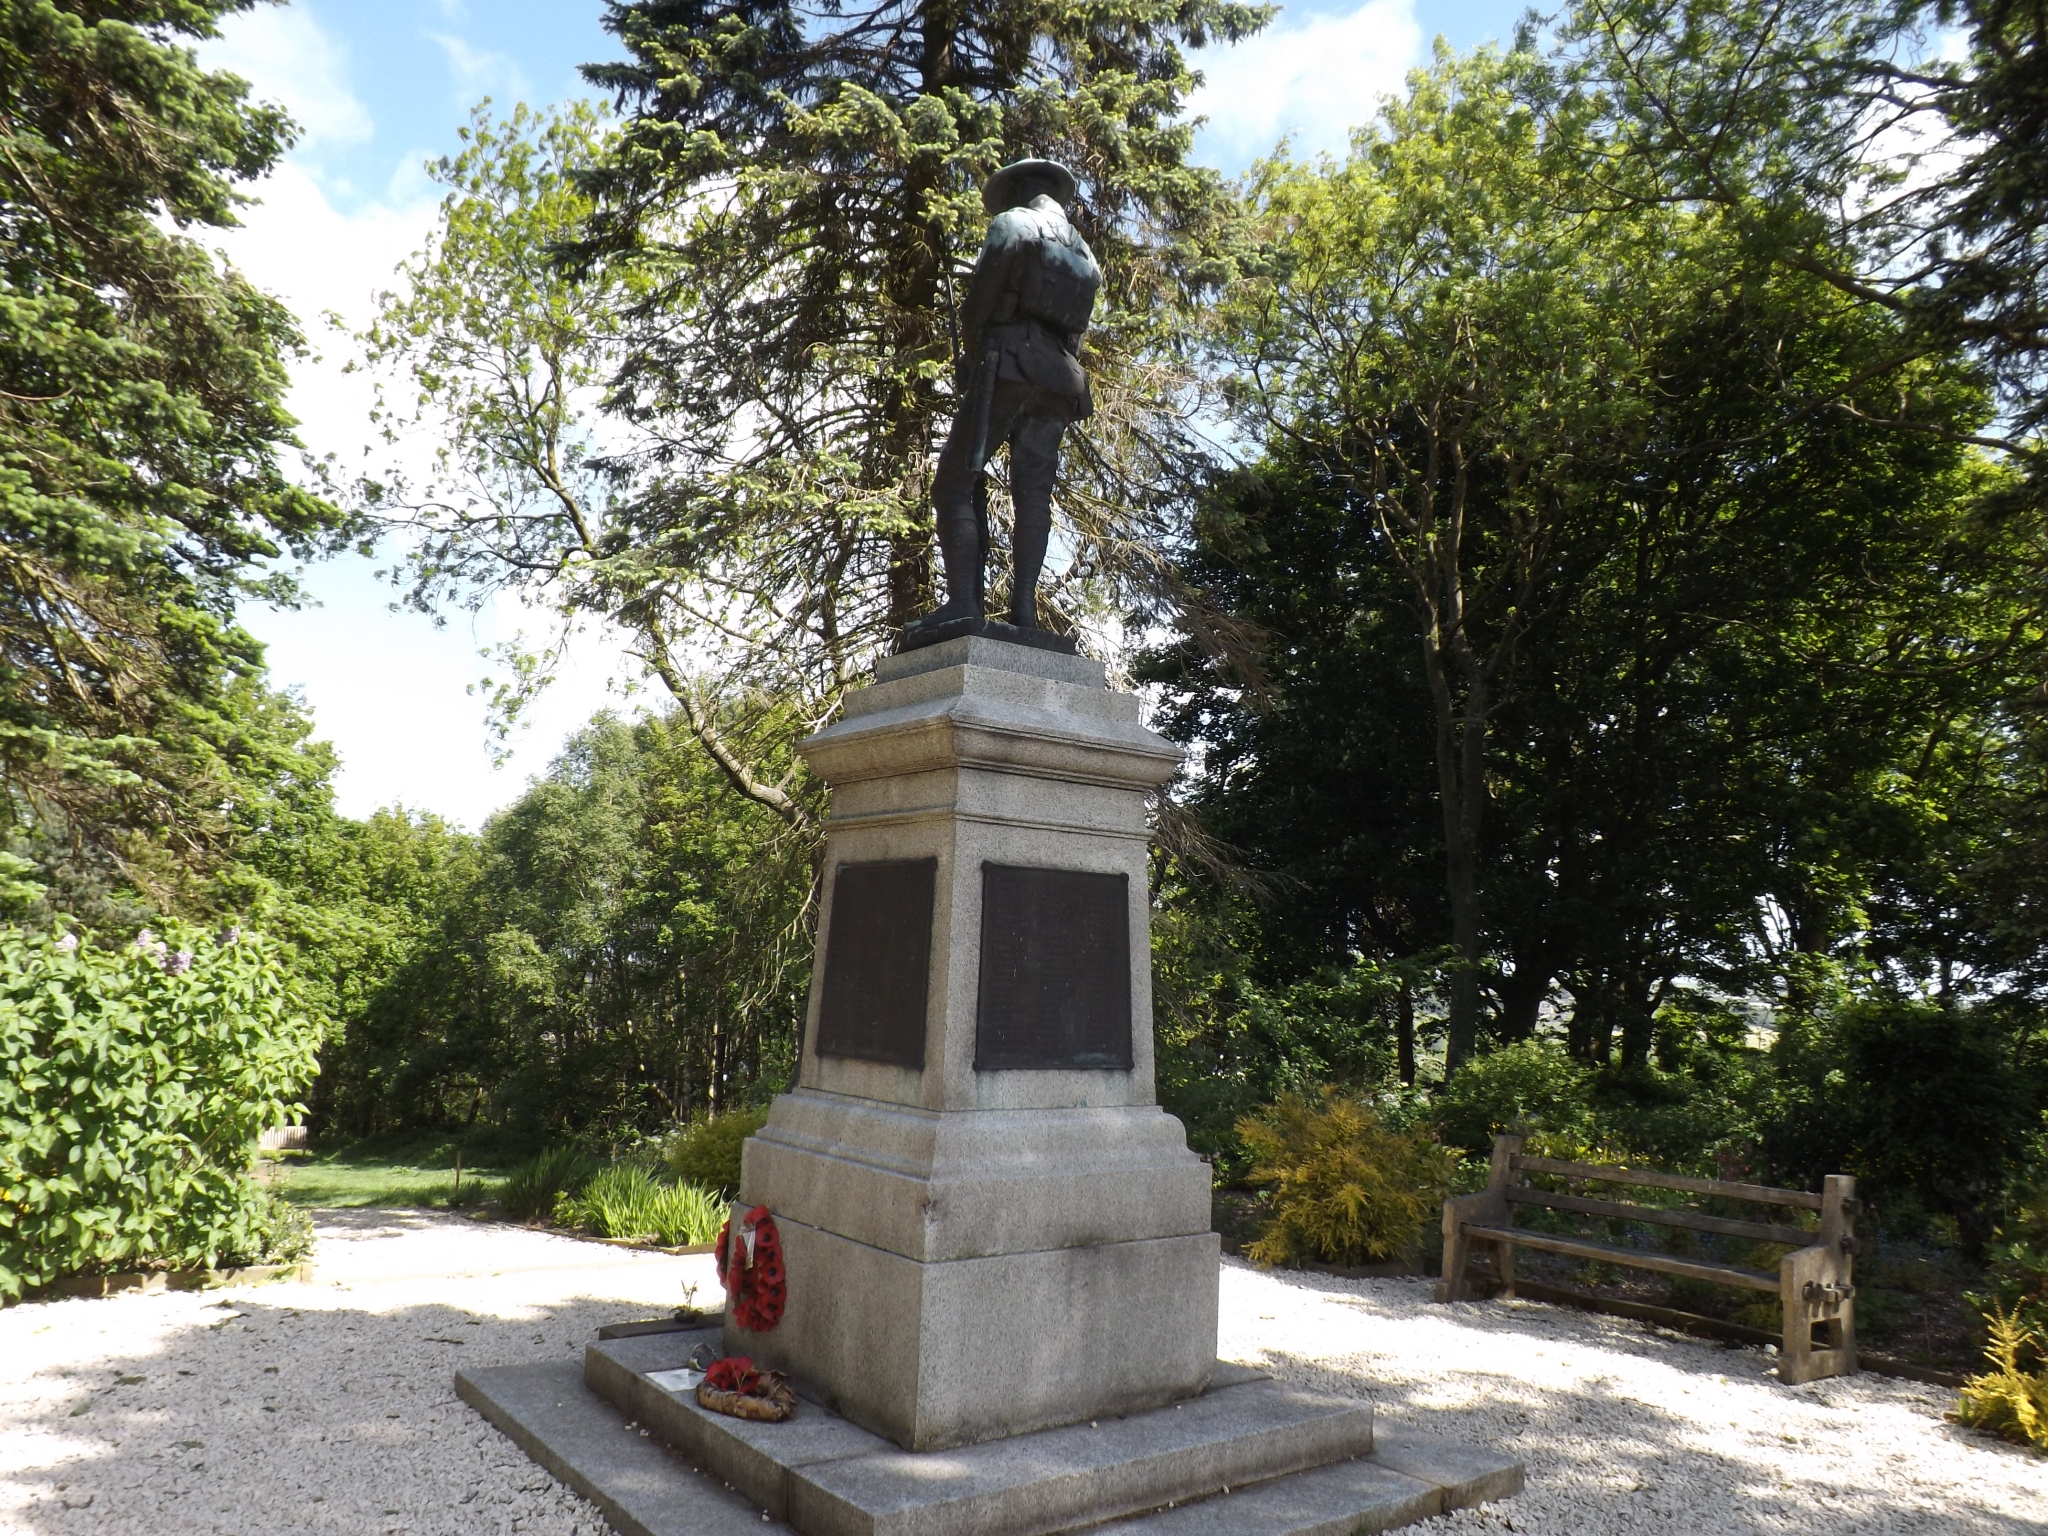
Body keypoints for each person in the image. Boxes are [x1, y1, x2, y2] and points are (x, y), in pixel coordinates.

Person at [912, 158, 1100, 634]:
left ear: (1018, 190)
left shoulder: (1012, 223)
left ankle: (963, 605)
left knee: (953, 483)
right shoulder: (1086, 256)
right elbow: (1076, 333)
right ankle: (1024, 610)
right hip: (1060, 378)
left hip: (1007, 361)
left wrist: (971, 362)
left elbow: (980, 303)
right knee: (1033, 494)